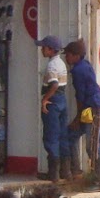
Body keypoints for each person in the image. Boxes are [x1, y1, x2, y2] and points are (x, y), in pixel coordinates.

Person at [62, 40, 100, 188]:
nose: (66, 58)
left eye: (68, 55)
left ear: (76, 56)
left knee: (94, 145)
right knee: (71, 136)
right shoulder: (85, 65)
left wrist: (77, 118)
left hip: (92, 110)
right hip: (91, 109)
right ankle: (77, 172)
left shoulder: (78, 71)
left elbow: (80, 97)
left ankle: (98, 180)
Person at [38, 35, 68, 182]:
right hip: (62, 100)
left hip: (53, 101)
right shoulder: (61, 63)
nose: (42, 50)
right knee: (62, 135)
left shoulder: (51, 66)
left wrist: (45, 99)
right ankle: (65, 171)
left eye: (43, 48)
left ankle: (53, 174)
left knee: (51, 136)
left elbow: (54, 84)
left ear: (50, 50)